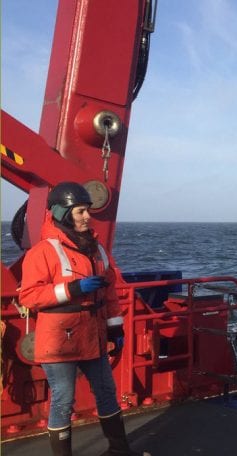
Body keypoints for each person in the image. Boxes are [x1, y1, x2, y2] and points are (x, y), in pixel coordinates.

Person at [19, 182, 142, 456]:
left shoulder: (97, 251)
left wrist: (114, 329)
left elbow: (108, 292)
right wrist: (73, 289)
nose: (87, 217)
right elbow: (29, 295)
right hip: (58, 340)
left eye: (87, 211)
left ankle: (119, 451)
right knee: (63, 401)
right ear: (63, 213)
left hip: (93, 336)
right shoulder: (43, 252)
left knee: (107, 392)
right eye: (80, 212)